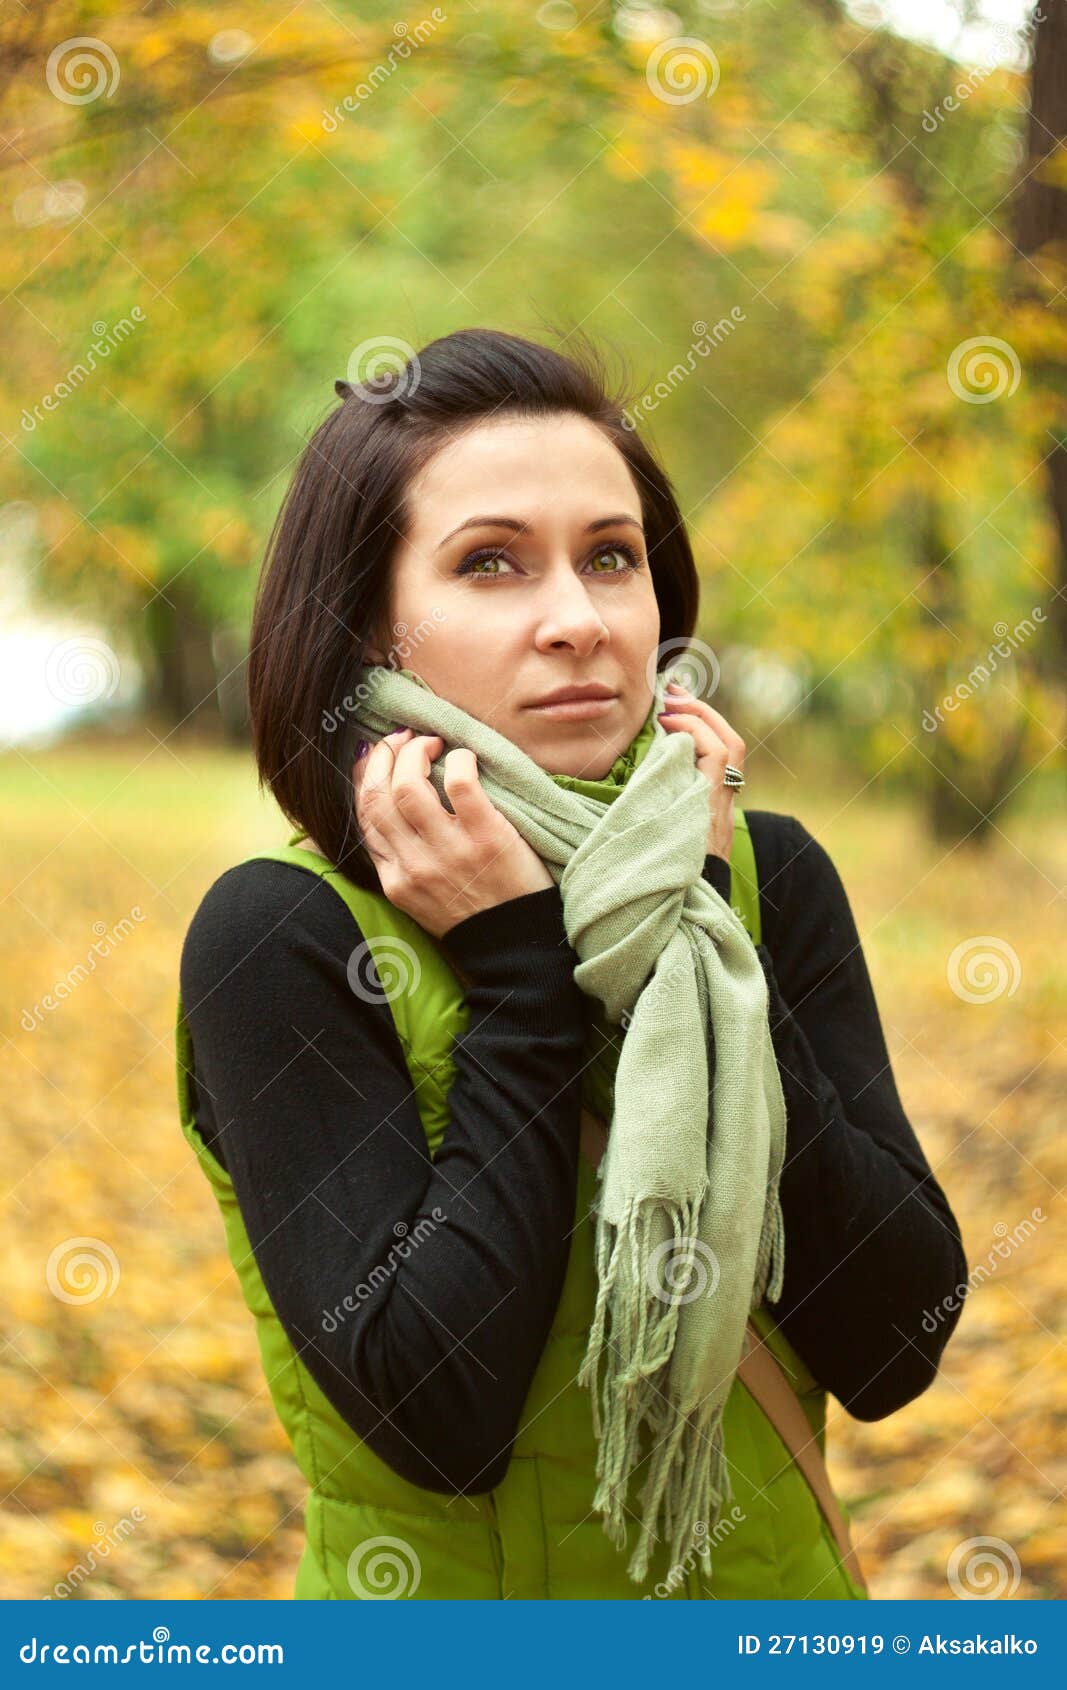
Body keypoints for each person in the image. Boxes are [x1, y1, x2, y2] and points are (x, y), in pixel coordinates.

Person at [176, 327, 967, 1600]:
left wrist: (687, 938)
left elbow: (891, 1346)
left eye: (610, 558)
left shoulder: (760, 879)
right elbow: (438, 1417)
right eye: (489, 564)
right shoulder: (285, 936)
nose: (575, 620)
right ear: (366, 624)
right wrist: (519, 980)